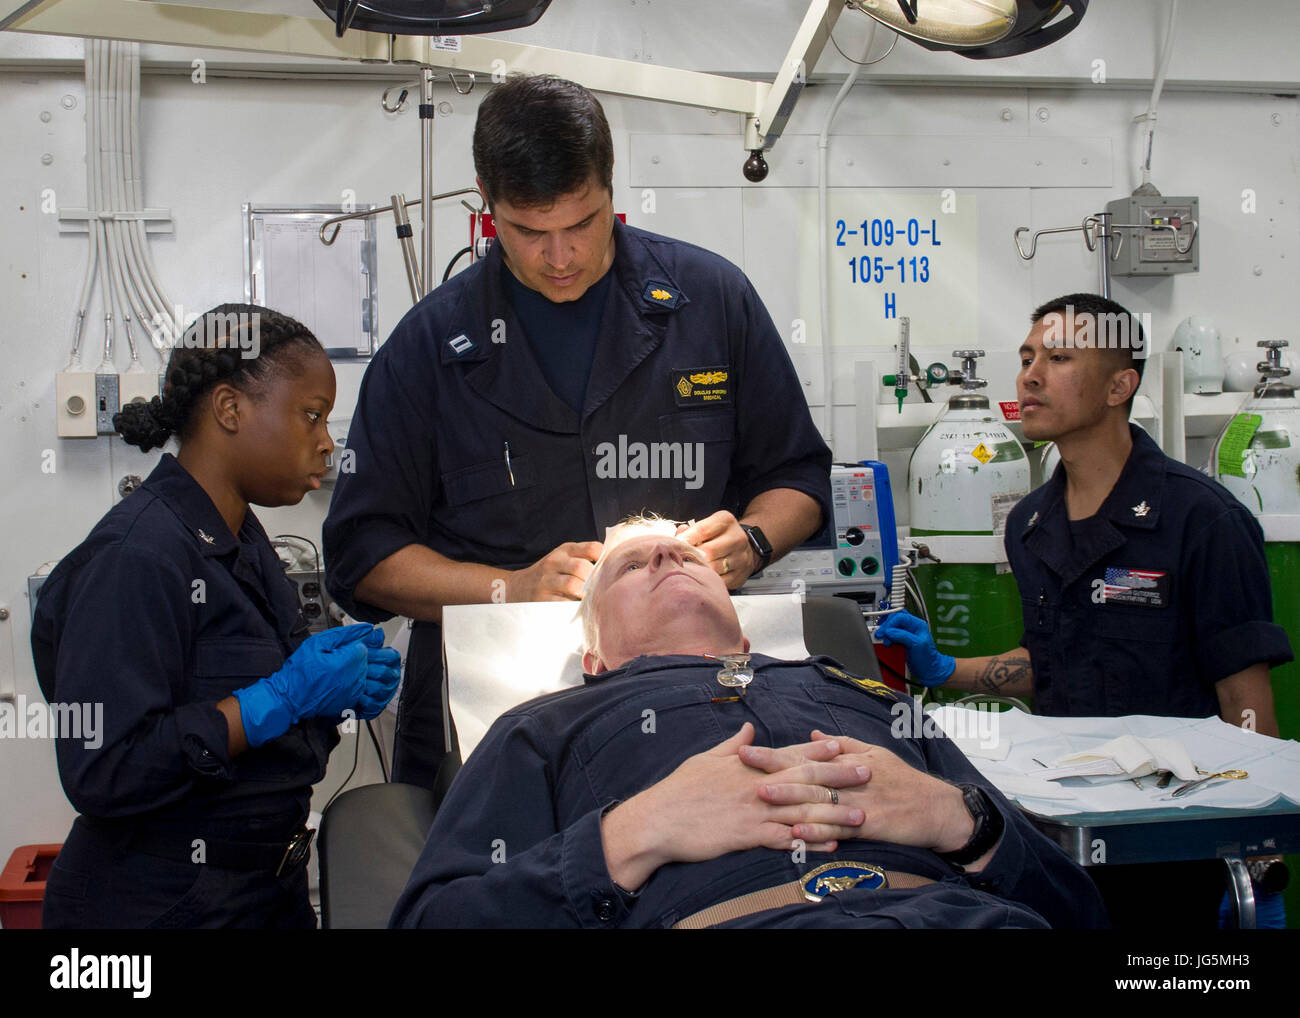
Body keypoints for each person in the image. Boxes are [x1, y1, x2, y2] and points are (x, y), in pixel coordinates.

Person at [323, 74, 832, 789]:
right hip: (490, 728)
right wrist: (511, 586)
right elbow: (362, 555)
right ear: (485, 202)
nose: (560, 258)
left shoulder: (710, 302)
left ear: (610, 187)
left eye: (583, 224)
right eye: (530, 232)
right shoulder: (429, 346)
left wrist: (751, 541)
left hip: (699, 707)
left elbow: (799, 478)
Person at [389, 526, 1108, 929]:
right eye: (630, 565)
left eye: (688, 555)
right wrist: (631, 835)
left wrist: (961, 820)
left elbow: (1078, 912)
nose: (668, 555)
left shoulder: (865, 696)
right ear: (595, 657)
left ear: (741, 630)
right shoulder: (543, 728)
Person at [877, 292, 1294, 927]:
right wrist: (944, 670)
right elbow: (1056, 664)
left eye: (1060, 357)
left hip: (1166, 846)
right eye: (1026, 357)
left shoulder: (1203, 520)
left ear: (1119, 386)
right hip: (1058, 832)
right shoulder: (1029, 523)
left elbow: (1246, 701)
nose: (1030, 375)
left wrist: (1251, 848)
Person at [31, 304, 401, 929]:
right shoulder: (138, 556)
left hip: (259, 890)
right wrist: (277, 698)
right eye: (310, 415)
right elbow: (104, 770)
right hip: (156, 906)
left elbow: (234, 685)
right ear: (230, 410)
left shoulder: (243, 541)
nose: (326, 441)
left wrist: (332, 686)